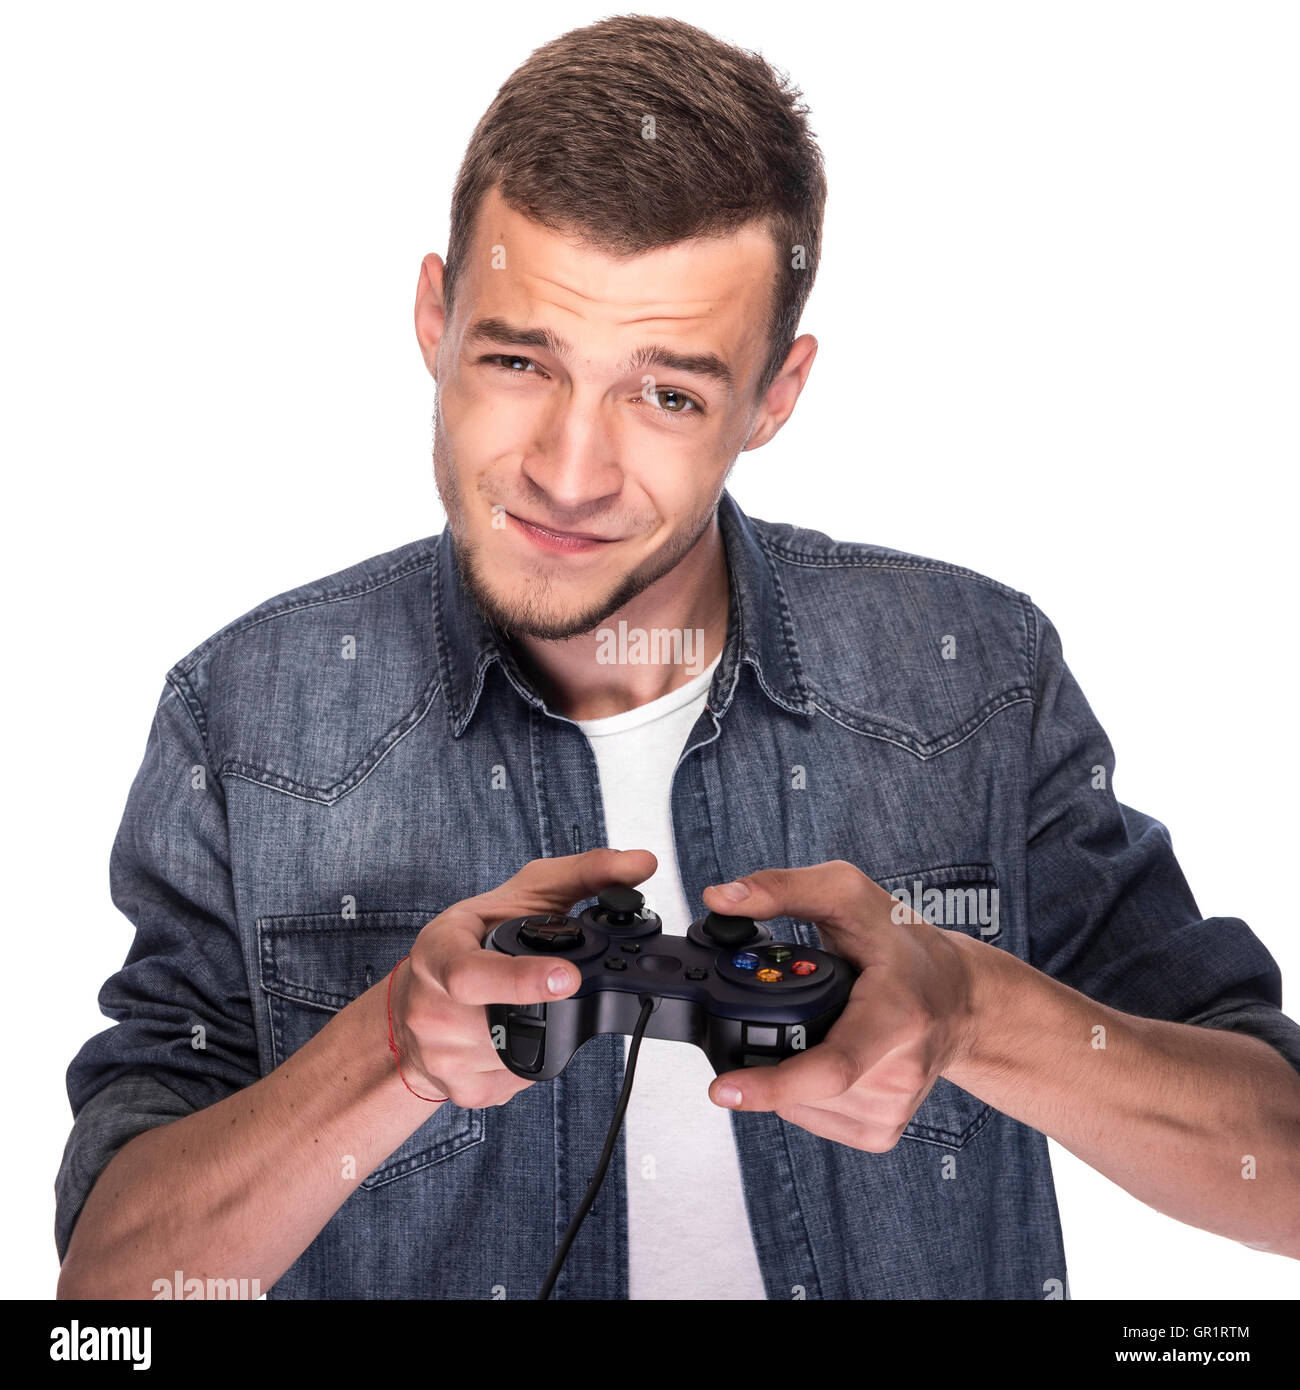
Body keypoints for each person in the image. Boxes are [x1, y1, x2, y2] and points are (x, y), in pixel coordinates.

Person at [55, 14, 1300, 1301]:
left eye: (667, 393)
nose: (567, 471)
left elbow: (1281, 1167)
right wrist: (386, 1051)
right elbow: (109, 1297)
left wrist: (973, 1008)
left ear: (775, 394)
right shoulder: (248, 717)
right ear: (433, 315)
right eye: (519, 358)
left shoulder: (972, 677)